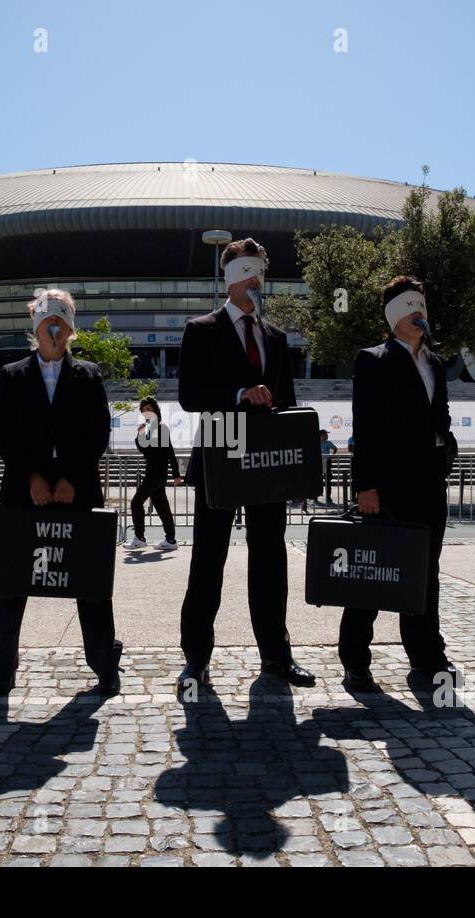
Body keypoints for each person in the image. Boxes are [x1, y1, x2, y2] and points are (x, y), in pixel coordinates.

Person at [176, 238, 315, 693]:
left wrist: (295, 464)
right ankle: (196, 657)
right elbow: (190, 396)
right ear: (230, 279)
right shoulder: (201, 329)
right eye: (246, 272)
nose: (254, 281)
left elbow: (289, 403)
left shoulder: (274, 337)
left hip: (267, 460)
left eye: (259, 273)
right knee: (208, 557)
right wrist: (238, 395)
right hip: (221, 450)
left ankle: (276, 655)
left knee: (270, 558)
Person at [0, 289, 124, 697]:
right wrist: (32, 477)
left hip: (76, 494)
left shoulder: (88, 374)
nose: (54, 326)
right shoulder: (12, 375)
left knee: (91, 587)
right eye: (48, 319)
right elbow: (2, 434)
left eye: (62, 320)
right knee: (9, 586)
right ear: (36, 324)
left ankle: (104, 666)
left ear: (70, 328)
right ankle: (1, 670)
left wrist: (71, 479)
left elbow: (97, 433)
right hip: (22, 494)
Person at [340, 276, 458, 693]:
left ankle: (427, 654)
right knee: (373, 571)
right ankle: (355, 659)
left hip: (429, 483)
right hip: (387, 486)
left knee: (427, 572)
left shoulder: (436, 363)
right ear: (393, 315)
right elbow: (366, 427)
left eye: (422, 305)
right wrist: (365, 486)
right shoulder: (372, 360)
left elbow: (438, 413)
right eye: (410, 306)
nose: (418, 313)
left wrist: (446, 445)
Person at [124, 397, 182, 551]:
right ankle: (170, 539)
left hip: (156, 474)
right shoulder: (151, 427)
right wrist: (139, 436)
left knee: (136, 503)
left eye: (148, 409)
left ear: (155, 410)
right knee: (161, 506)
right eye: (143, 411)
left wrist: (176, 473)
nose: (146, 412)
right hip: (154, 472)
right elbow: (145, 450)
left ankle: (139, 537)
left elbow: (170, 451)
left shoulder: (160, 427)